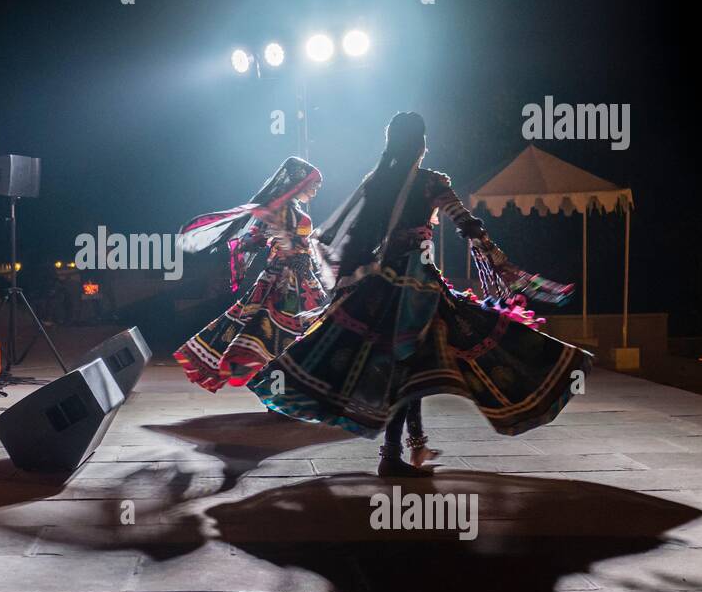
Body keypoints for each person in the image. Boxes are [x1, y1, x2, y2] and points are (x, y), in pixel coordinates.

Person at [249, 113, 592, 477]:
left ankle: (412, 446)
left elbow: (356, 238)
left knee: (412, 368)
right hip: (419, 289)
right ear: (421, 144)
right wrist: (504, 268)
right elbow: (468, 225)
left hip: (378, 285)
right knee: (414, 366)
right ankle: (393, 454)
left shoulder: (376, 182)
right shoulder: (431, 183)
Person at [174, 156, 329, 391]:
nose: (315, 192)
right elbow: (270, 237)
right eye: (313, 186)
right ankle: (275, 383)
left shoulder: (291, 209)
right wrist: (288, 250)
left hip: (301, 274)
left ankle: (286, 381)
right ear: (299, 184)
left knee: (299, 326)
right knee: (277, 327)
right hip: (285, 278)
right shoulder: (282, 210)